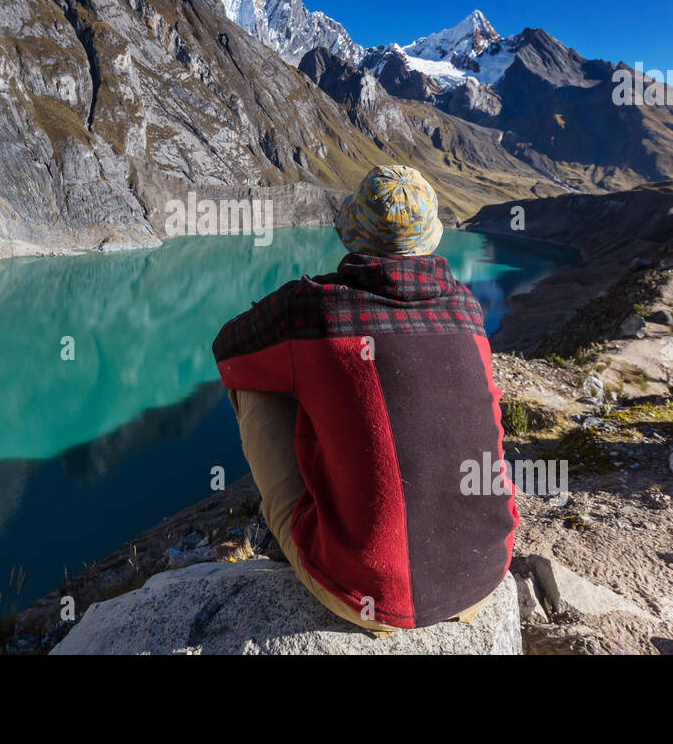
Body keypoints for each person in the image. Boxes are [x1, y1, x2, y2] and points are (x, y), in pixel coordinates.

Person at [211, 165, 518, 634]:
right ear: (430, 240)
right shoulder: (467, 310)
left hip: (370, 595)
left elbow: (228, 351)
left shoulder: (313, 308)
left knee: (253, 380)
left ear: (355, 234)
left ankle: (324, 535)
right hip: (485, 572)